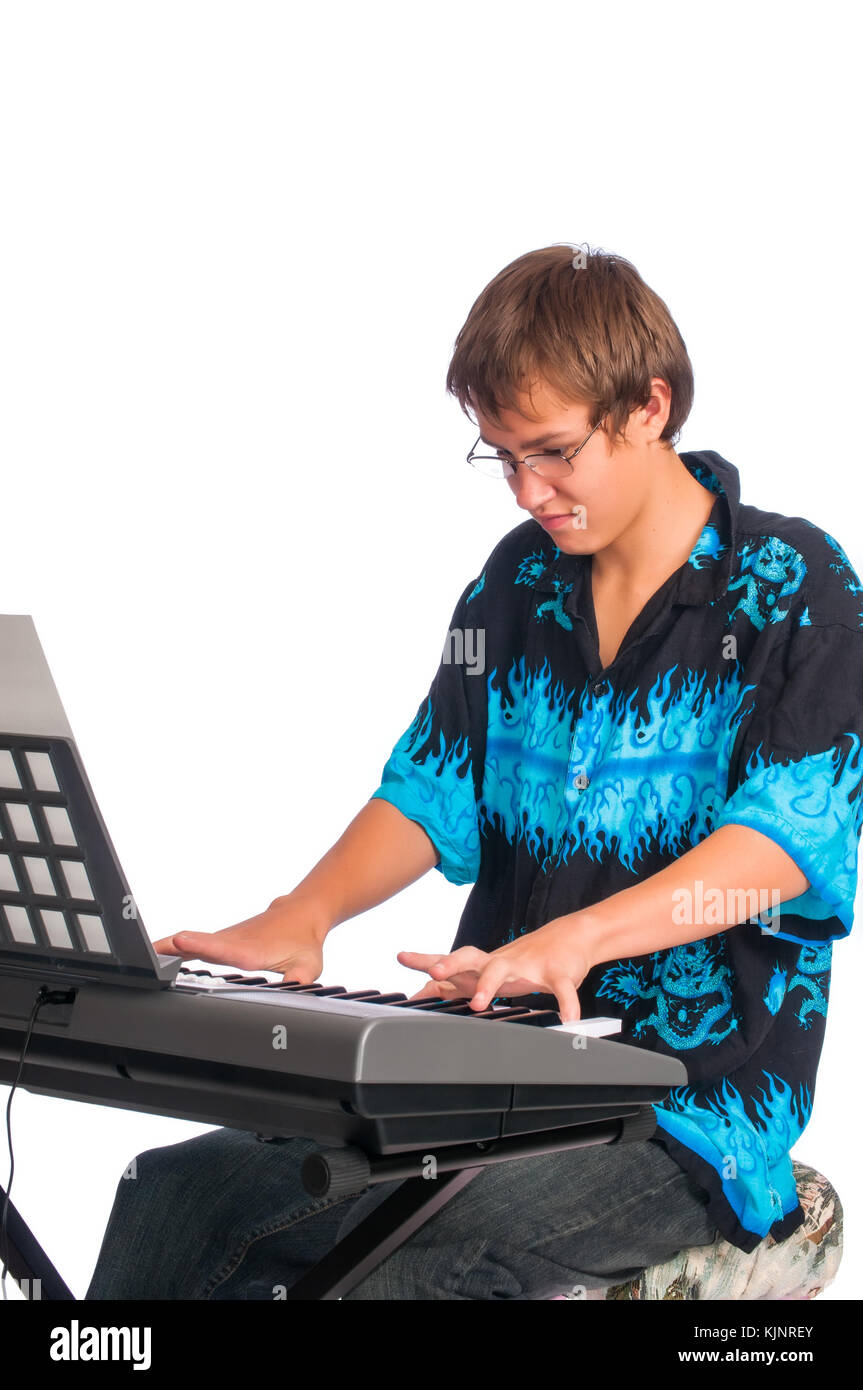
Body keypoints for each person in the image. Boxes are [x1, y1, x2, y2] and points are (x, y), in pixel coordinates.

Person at [86, 244, 863, 1300]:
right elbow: (431, 783)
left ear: (648, 406)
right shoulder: (512, 588)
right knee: (179, 1193)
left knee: (385, 1275)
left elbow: (779, 844)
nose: (525, 490)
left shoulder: (795, 586)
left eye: (549, 452)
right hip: (492, 1072)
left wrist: (573, 937)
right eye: (498, 456)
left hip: (684, 1110)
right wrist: (301, 912)